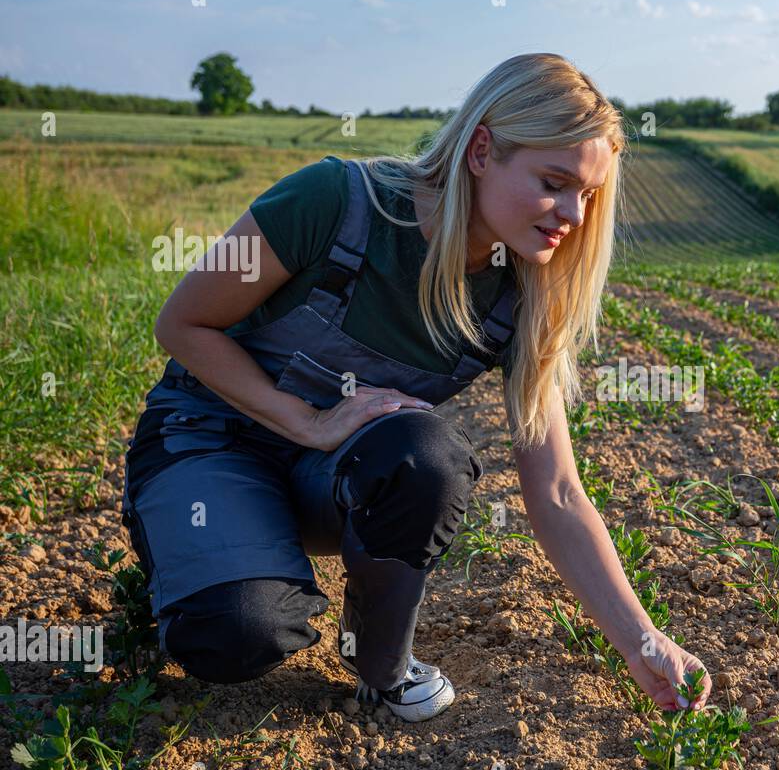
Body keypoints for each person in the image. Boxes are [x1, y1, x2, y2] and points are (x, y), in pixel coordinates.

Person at [120, 52, 712, 722]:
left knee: (425, 457)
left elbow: (556, 490)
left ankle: (380, 664)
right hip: (208, 444)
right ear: (482, 149)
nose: (573, 213)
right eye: (555, 182)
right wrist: (308, 422)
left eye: (590, 196)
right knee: (236, 634)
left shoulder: (520, 297)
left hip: (323, 483)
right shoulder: (330, 202)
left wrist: (642, 641)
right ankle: (192, 556)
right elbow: (184, 323)